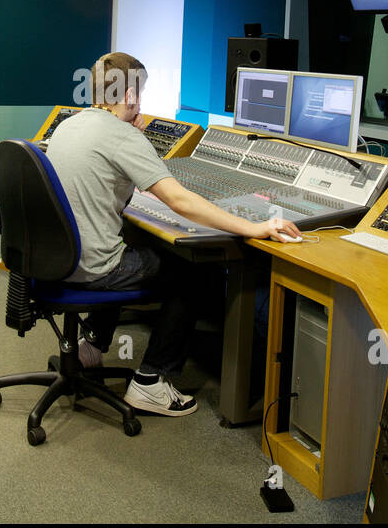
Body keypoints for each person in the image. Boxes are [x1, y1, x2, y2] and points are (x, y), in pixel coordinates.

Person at [44, 52, 302, 417]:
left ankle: (89, 347)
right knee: (192, 268)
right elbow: (180, 201)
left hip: (60, 258)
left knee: (131, 243)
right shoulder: (121, 137)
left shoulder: (70, 125)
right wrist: (254, 227)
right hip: (96, 267)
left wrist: (129, 138)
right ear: (131, 97)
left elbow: (99, 186)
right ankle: (151, 381)